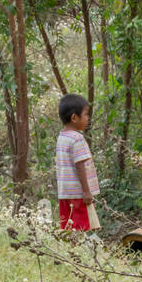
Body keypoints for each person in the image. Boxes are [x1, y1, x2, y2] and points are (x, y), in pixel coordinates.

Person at [55, 93, 99, 230]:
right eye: (85, 114)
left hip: (64, 193)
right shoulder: (77, 138)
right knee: (81, 228)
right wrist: (86, 191)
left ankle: (69, 251)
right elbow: (79, 165)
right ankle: (78, 251)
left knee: (69, 229)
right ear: (74, 117)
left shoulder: (62, 137)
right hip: (78, 194)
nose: (88, 118)